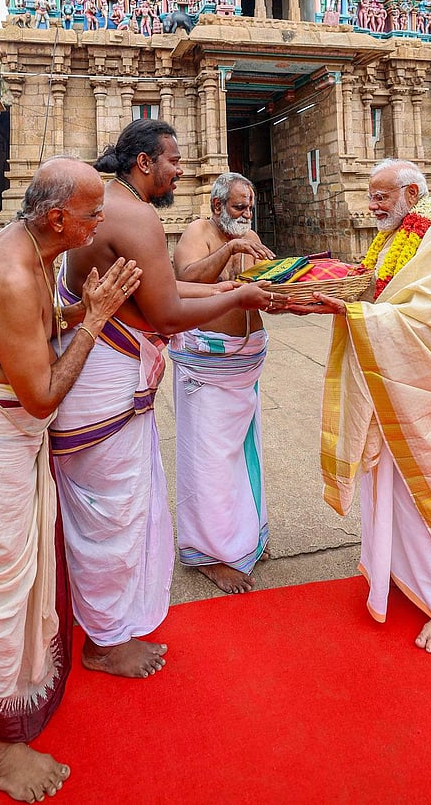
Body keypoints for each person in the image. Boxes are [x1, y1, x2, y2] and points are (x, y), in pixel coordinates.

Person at [0, 158, 141, 802]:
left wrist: (81, 312)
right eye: (93, 212)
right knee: (0, 590)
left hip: (4, 445)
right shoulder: (17, 272)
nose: (101, 222)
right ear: (58, 218)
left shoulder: (36, 253)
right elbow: (43, 395)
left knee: (22, 587)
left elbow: (41, 332)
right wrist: (97, 319)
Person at [50, 121, 279, 679]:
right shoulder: (137, 217)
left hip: (101, 370)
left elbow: (160, 290)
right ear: (145, 163)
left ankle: (102, 619)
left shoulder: (114, 204)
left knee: (113, 507)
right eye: (174, 160)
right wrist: (242, 291)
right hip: (103, 378)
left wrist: (230, 290)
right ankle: (104, 642)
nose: (180, 170)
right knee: (116, 511)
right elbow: (166, 312)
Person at [301, 158, 431, 656]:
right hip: (388, 381)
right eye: (372, 196)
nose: (373, 206)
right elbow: (376, 288)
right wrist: (334, 297)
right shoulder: (389, 237)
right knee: (386, 482)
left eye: (382, 197)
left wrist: (357, 312)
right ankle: (398, 571)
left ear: (412, 192)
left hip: (427, 384)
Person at [171, 172, 276, 593]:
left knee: (240, 454)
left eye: (249, 207)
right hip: (207, 367)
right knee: (209, 461)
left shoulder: (247, 234)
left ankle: (248, 533)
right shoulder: (198, 232)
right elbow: (188, 280)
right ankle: (209, 554)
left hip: (243, 364)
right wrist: (231, 246)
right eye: (238, 207)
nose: (246, 214)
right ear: (217, 207)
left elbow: (261, 282)